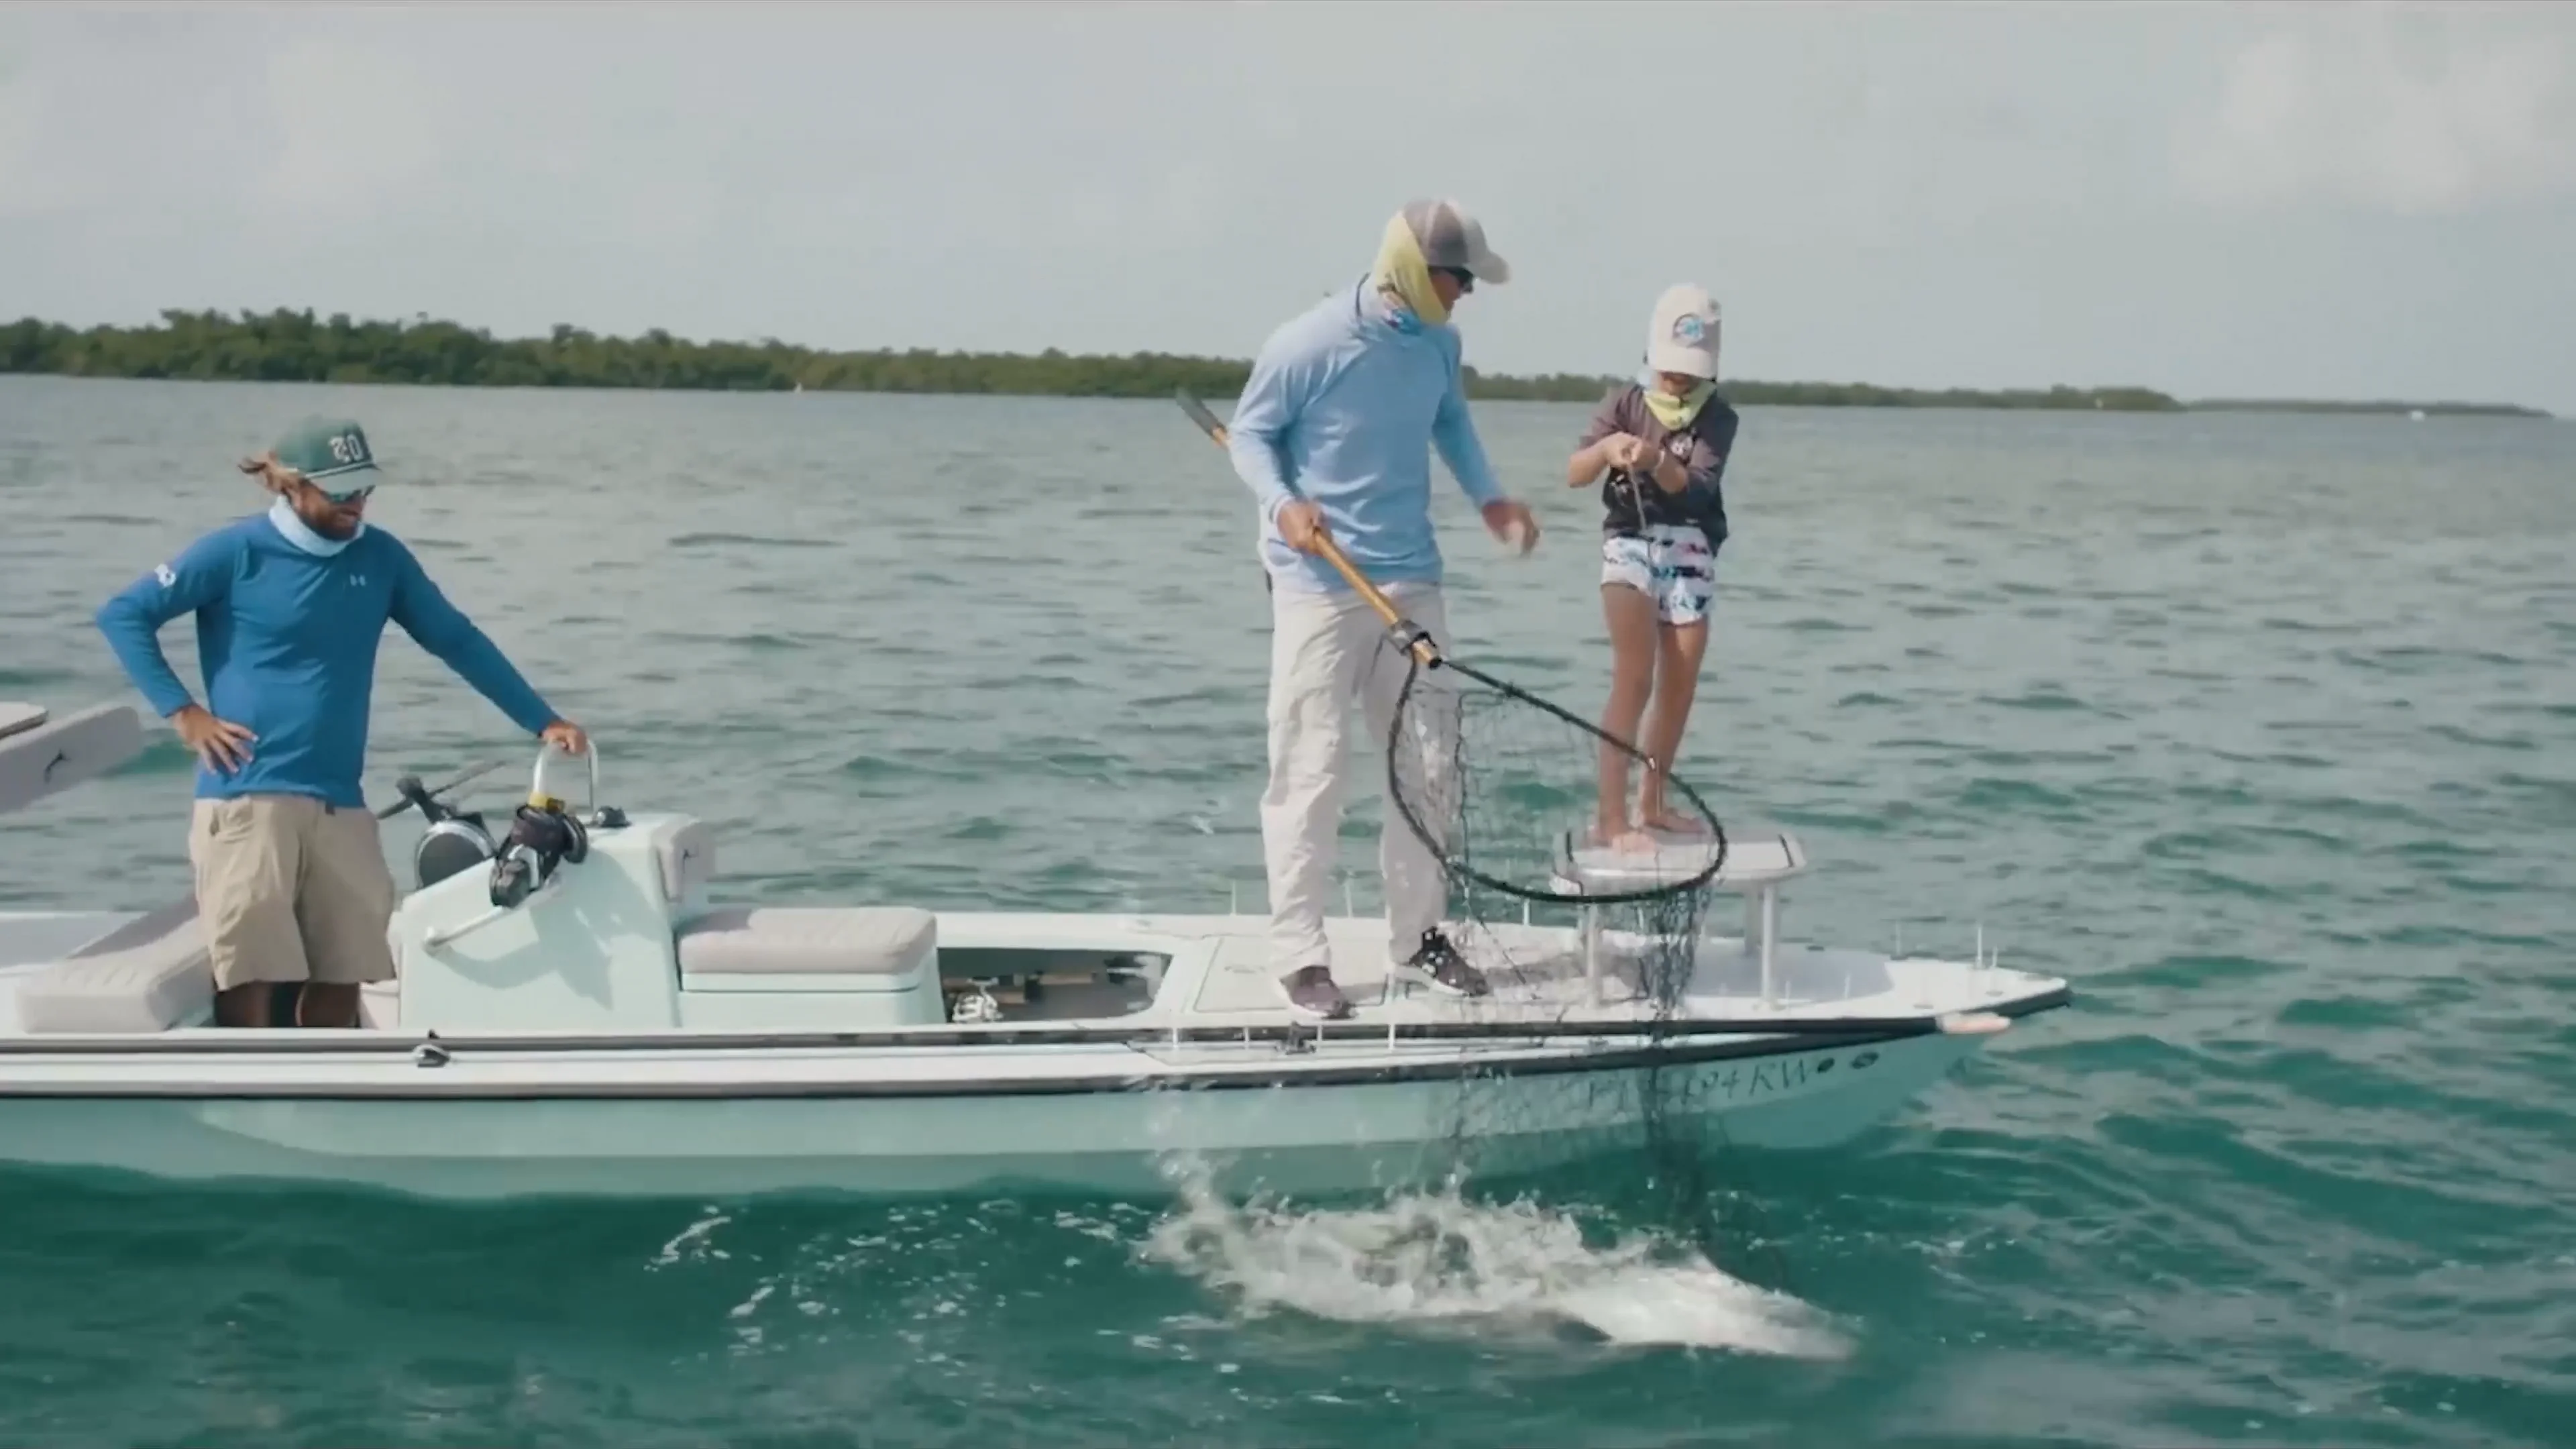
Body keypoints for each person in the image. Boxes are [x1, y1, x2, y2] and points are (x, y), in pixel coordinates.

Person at [95, 416, 588, 1030]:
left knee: (348, 968)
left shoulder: (381, 558)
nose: (357, 503)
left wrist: (542, 720)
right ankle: (249, 1096)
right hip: (247, 795)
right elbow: (124, 615)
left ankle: (321, 1097)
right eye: (340, 492)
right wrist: (184, 712)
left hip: (339, 800)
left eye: (364, 489)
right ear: (292, 487)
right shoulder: (235, 552)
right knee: (253, 973)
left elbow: (456, 639)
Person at [1226, 198, 1542, 1020]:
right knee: (1312, 771)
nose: (1468, 292)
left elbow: (1453, 425)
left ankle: (1417, 938)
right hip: (1318, 586)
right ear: (1413, 268)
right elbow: (1252, 436)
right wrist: (1285, 505)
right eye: (1459, 277)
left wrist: (1492, 500)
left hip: (1412, 580)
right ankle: (1299, 955)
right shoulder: (1311, 342)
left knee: (1431, 768)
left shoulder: (1440, 343)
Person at [1565, 283, 1739, 854]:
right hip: (1629, 546)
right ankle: (1612, 817)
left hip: (1690, 550)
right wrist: (1609, 449)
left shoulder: (1719, 419)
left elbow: (1696, 490)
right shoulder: (1622, 403)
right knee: (1633, 678)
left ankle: (1654, 803)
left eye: (1691, 370)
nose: (1679, 379)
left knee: (1678, 688)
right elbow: (1575, 471)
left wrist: (1658, 460)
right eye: (1671, 368)